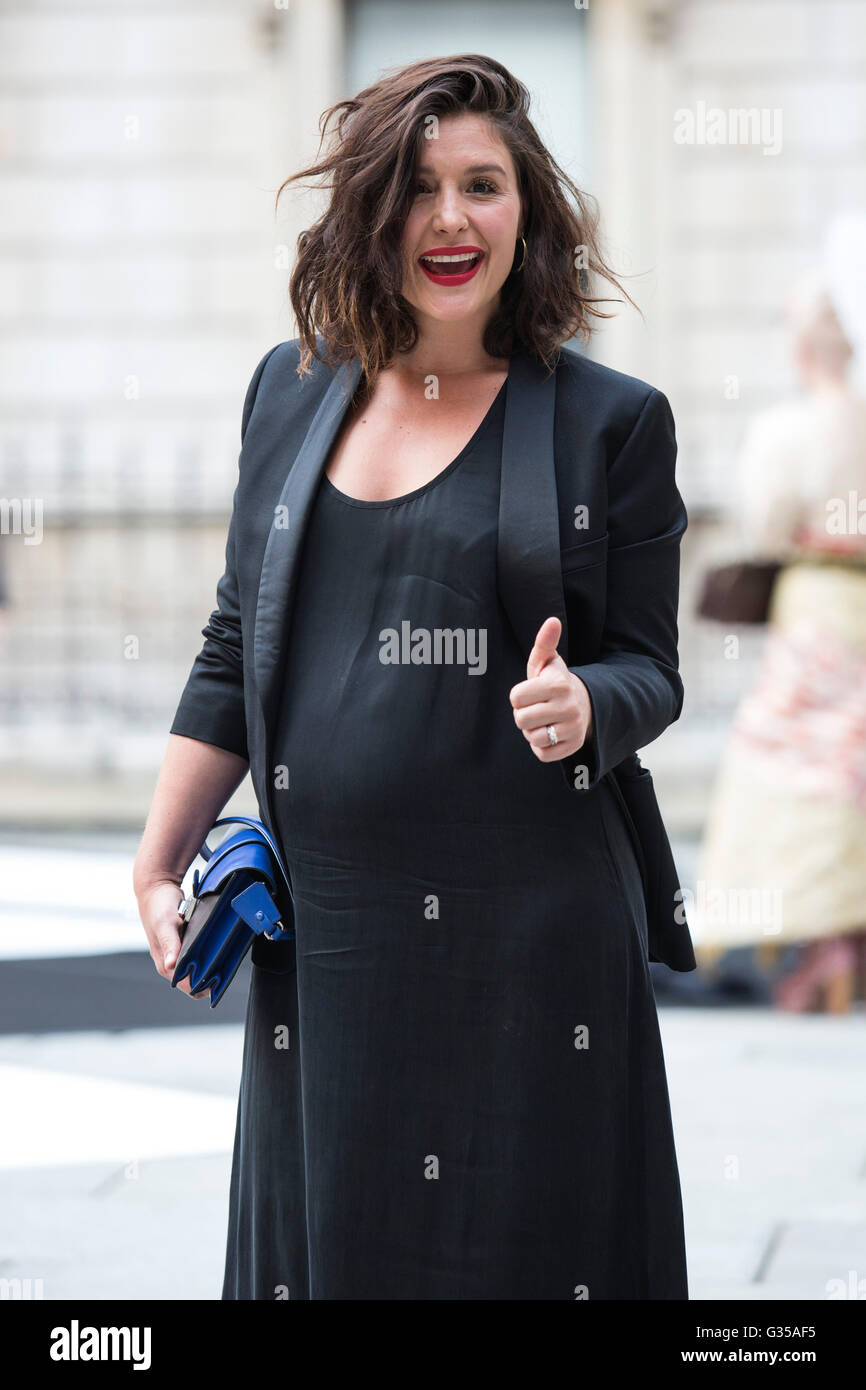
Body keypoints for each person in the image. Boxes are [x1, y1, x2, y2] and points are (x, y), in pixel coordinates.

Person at [133, 54, 693, 1300]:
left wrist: (586, 704)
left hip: (532, 946)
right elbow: (238, 635)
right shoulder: (287, 392)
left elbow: (650, 670)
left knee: (520, 1253)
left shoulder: (611, 421)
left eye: (482, 185)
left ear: (527, 212)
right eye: (417, 186)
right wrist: (160, 854)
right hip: (327, 944)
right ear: (367, 211)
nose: (450, 218)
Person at [694, 272, 866, 1012]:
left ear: (801, 350)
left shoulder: (785, 430)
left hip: (816, 601)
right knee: (852, 763)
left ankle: (821, 940)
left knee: (791, 763)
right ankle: (845, 942)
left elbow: (764, 526)